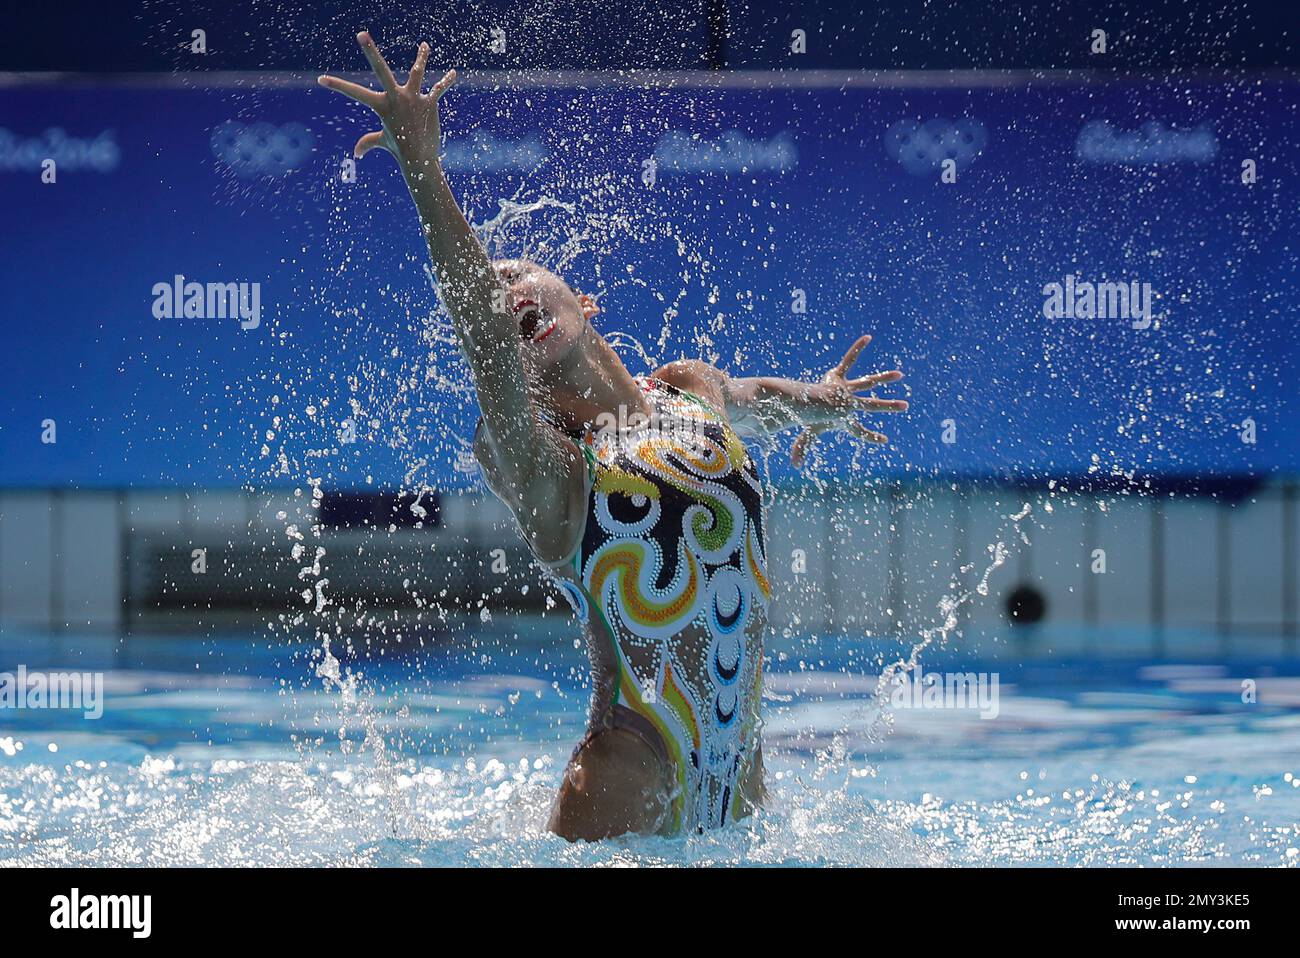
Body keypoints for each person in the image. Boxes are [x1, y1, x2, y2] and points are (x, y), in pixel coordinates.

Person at [319, 32, 907, 840]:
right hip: (630, 769)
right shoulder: (551, 469)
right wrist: (423, 168)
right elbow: (489, 339)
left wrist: (822, 400)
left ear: (582, 302)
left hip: (739, 776)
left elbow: (754, 399)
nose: (505, 291)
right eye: (492, 289)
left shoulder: (688, 391)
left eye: (518, 272)